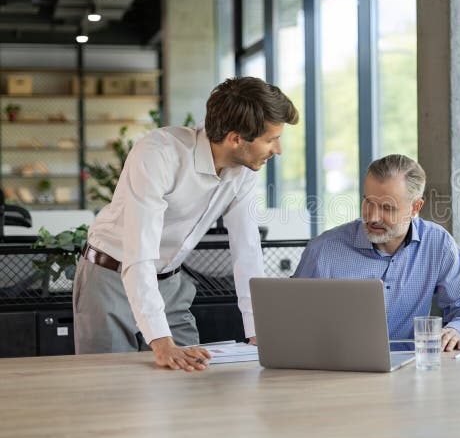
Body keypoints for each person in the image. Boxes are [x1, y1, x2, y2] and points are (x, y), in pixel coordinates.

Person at [73, 76, 299, 371]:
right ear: (236, 138)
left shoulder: (243, 172)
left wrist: (258, 332)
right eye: (271, 139)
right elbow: (139, 253)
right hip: (110, 278)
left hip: (170, 283)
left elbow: (247, 250)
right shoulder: (158, 154)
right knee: (109, 387)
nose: (278, 149)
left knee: (190, 379)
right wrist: (160, 341)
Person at [293, 154, 460, 351]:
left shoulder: (437, 244)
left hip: (413, 372)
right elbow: (290, 320)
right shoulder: (323, 251)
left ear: (415, 208)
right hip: (337, 371)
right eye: (368, 202)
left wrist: (457, 329)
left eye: (387, 208)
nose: (372, 217)